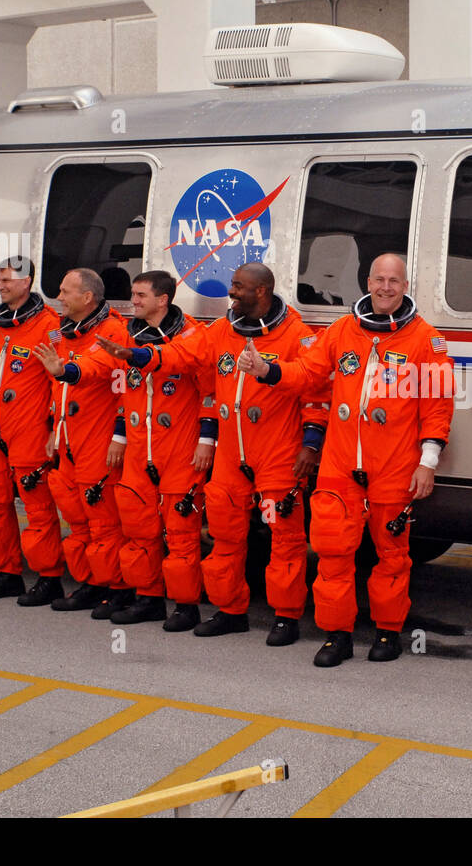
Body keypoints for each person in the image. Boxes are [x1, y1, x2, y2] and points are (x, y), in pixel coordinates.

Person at [239, 253, 455, 667]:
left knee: (392, 554)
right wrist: (267, 370)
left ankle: (388, 632)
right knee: (333, 551)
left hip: (395, 465)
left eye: (394, 281)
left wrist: (428, 461)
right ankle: (336, 635)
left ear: (405, 286)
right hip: (340, 466)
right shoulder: (342, 331)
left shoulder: (428, 341)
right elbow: (308, 375)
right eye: (379, 279)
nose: (386, 287)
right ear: (368, 282)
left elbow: (438, 406)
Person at [112, 262, 328, 645]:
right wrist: (141, 357)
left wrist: (311, 445)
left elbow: (314, 391)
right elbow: (182, 355)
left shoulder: (297, 335)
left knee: (285, 540)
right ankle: (231, 611)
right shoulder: (221, 331)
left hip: (278, 454)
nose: (231, 292)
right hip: (232, 454)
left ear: (261, 291)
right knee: (226, 537)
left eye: (238, 286)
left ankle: (286, 617)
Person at [65, 270, 210, 626]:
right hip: (139, 449)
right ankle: (147, 598)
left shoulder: (193, 335)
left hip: (180, 448)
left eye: (141, 295)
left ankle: (186, 605)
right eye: (134, 294)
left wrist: (207, 441)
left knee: (181, 534)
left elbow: (209, 391)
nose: (134, 301)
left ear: (163, 300)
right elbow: (111, 379)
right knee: (139, 529)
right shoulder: (126, 334)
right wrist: (68, 371)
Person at [0, 257, 66, 604]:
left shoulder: (49, 326)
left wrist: (54, 427)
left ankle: (49, 577)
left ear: (26, 282)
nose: (0, 285)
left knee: (38, 508)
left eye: (6, 279)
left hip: (29, 429)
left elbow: (60, 380)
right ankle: (7, 573)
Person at [31, 268, 130, 613]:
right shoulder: (64, 332)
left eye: (65, 291)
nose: (59, 297)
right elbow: (54, 389)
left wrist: (64, 371)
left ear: (87, 298)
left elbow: (95, 369)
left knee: (104, 519)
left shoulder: (113, 332)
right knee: (78, 519)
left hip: (97, 440)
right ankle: (92, 582)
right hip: (67, 440)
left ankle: (117, 587)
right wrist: (51, 432)